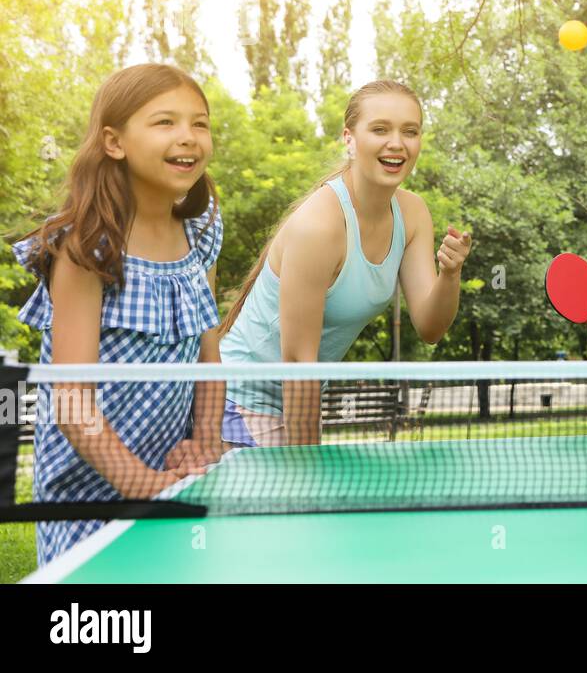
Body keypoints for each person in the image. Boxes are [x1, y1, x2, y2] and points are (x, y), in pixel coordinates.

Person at [12, 64, 225, 564]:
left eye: (200, 123)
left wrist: (205, 441)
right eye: (165, 122)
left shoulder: (202, 232)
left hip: (171, 479)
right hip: (87, 493)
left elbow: (209, 360)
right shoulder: (87, 249)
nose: (188, 137)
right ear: (114, 142)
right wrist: (140, 484)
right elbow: (71, 400)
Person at [218, 80, 471, 447]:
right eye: (380, 129)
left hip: (298, 402)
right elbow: (299, 364)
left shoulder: (413, 213)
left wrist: (450, 275)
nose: (397, 143)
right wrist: (305, 464)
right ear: (349, 139)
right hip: (238, 403)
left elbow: (430, 328)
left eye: (410, 131)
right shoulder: (320, 226)